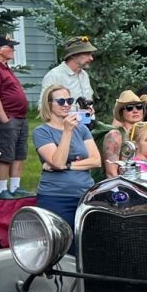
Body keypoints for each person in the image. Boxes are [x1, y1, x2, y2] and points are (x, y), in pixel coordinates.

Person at [32, 84, 100, 226]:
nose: (66, 105)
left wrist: (68, 165)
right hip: (56, 196)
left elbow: (96, 161)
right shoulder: (42, 132)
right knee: (61, 238)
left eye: (69, 101)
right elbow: (58, 162)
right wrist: (67, 131)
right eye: (61, 101)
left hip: (85, 194)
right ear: (49, 104)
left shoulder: (81, 128)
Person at [0, 35, 30, 197]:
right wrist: (4, 119)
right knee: (6, 153)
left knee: (19, 152)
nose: (13, 50)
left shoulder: (5, 67)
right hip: (9, 117)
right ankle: (2, 189)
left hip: (20, 117)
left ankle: (15, 187)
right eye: (9, 47)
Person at [42, 36, 98, 130]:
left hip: (88, 125)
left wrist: (89, 110)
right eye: (87, 54)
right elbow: (44, 107)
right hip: (66, 128)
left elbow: (88, 98)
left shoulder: (84, 75)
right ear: (73, 55)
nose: (91, 58)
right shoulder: (54, 75)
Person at [101, 89, 147, 178]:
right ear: (121, 112)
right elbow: (111, 173)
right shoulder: (115, 135)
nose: (135, 111)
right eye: (129, 108)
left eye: (139, 107)